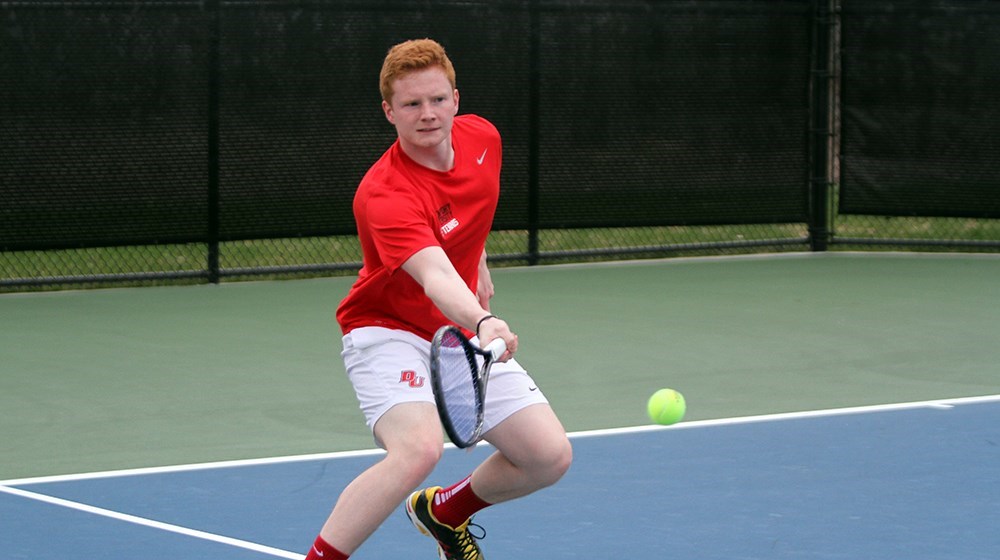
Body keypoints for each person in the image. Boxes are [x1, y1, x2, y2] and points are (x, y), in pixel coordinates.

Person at [303, 38, 572, 560]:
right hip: (387, 329)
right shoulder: (384, 193)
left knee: (548, 457)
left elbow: (469, 209)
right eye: (411, 104)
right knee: (417, 451)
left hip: (456, 332)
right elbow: (433, 274)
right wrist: (482, 317)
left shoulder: (483, 138)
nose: (427, 115)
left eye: (437, 100)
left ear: (455, 98)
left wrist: (480, 260)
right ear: (389, 112)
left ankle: (445, 512)